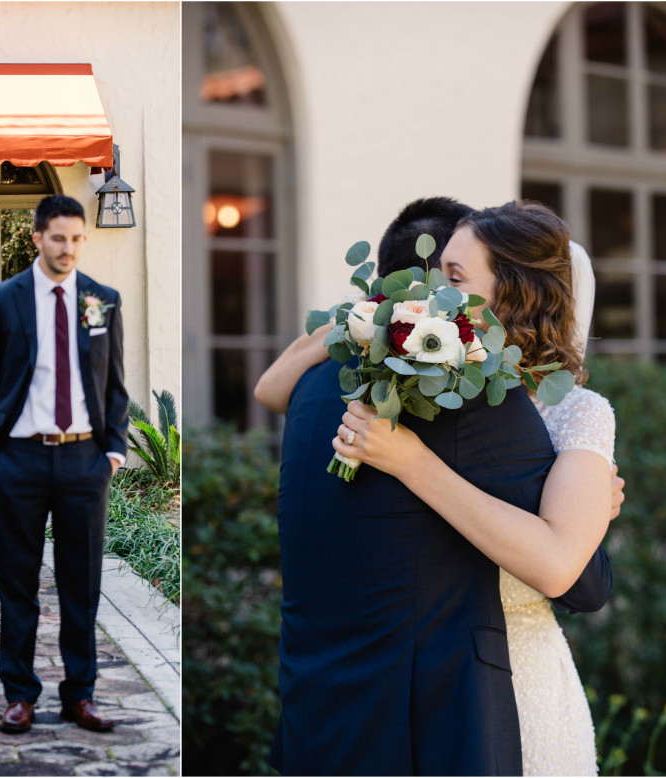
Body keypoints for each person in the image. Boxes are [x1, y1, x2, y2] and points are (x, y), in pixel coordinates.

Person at [261, 197, 620, 776]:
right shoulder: (423, 388)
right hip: (444, 708)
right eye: (432, 278)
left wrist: (586, 510)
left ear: (515, 293)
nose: (432, 296)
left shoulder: (535, 406)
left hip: (505, 688)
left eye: (453, 278)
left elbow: (573, 572)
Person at [0, 195, 128, 734]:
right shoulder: (4, 300)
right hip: (21, 459)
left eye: (77, 239)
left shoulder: (101, 300)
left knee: (81, 584)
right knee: (17, 582)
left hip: (85, 460)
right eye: (58, 238)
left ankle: (79, 695)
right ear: (37, 238)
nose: (69, 248)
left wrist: (112, 451)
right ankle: (20, 695)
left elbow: (116, 384)